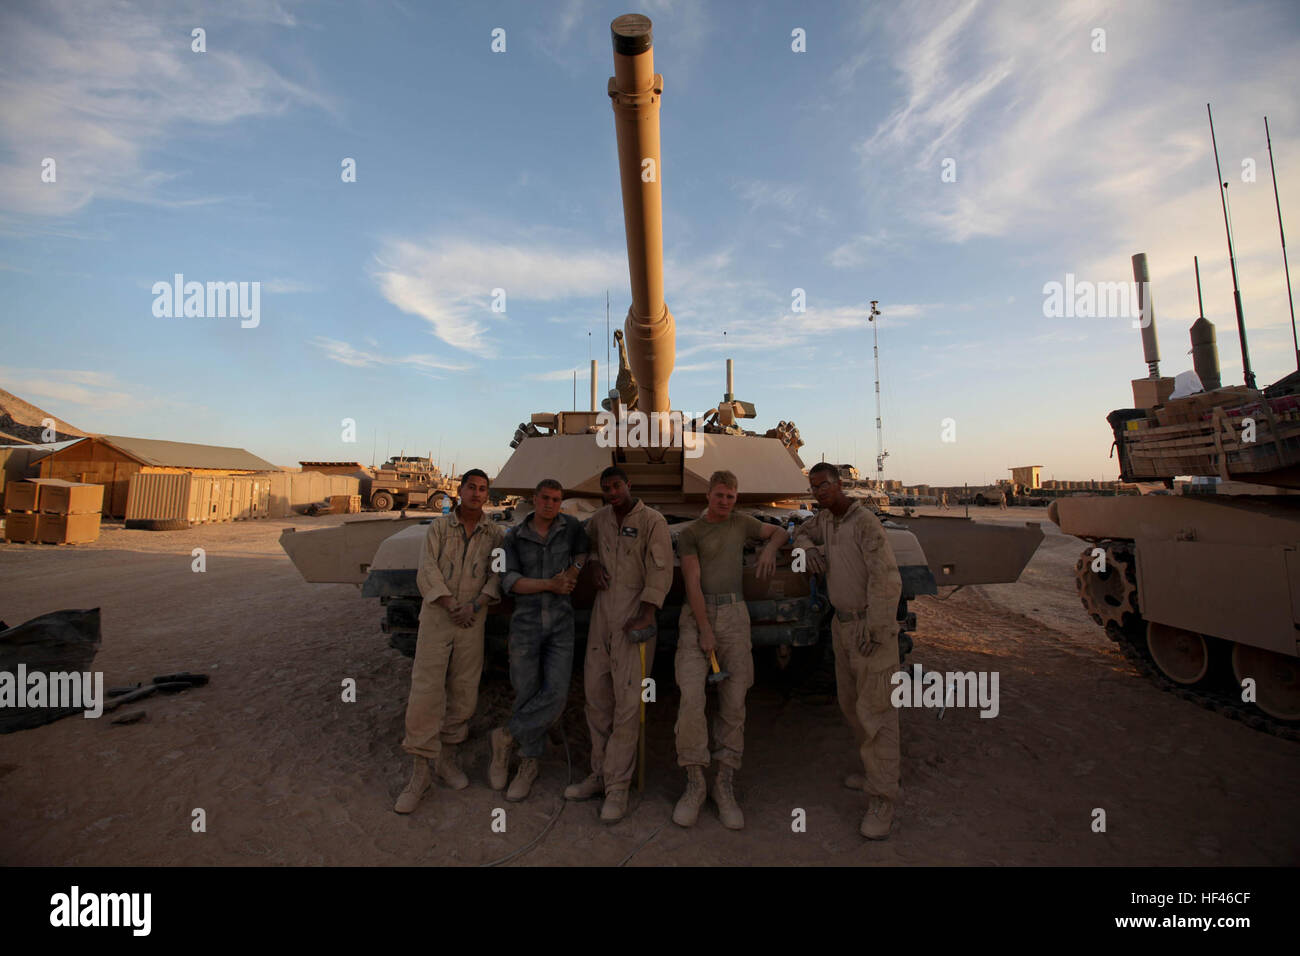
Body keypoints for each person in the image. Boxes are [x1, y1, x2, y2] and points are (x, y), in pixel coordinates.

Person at [793, 461, 903, 839]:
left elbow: (887, 577)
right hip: (842, 625)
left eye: (824, 486)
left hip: (869, 628)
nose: (819, 492)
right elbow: (800, 532)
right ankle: (875, 773)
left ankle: (884, 798)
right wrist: (806, 548)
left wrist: (879, 627)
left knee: (877, 712)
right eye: (814, 487)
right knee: (850, 704)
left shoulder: (864, 523)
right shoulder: (826, 521)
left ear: (839, 485)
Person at [672, 470, 787, 830]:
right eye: (719, 495)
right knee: (691, 700)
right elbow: (691, 580)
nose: (725, 501)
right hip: (698, 615)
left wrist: (770, 546)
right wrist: (705, 630)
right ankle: (694, 781)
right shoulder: (690, 532)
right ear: (708, 495)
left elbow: (780, 531)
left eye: (731, 497)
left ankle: (724, 783)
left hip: (736, 616)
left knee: (734, 701)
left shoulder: (742, 523)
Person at [563, 466, 672, 822]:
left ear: (629, 485)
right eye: (606, 488)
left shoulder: (653, 521)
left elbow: (661, 569)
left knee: (628, 706)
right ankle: (599, 774)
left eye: (617, 486)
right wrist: (592, 562)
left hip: (632, 615)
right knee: (596, 698)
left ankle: (618, 787)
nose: (612, 492)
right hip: (601, 615)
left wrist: (648, 611)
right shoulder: (599, 519)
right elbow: (589, 546)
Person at [395, 468, 504, 814]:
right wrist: (450, 603)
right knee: (426, 689)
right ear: (459, 490)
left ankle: (447, 759)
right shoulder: (439, 528)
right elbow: (427, 570)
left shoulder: (495, 534)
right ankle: (420, 772)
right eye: (471, 487)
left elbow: (497, 574)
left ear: (487, 495)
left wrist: (476, 603)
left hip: (473, 617)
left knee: (464, 689)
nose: (476, 493)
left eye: (482, 489)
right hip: (439, 616)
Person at [490, 478, 589, 801]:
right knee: (527, 692)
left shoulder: (571, 526)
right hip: (527, 623)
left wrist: (573, 572)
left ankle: (506, 735)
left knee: (557, 693)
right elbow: (509, 580)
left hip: (560, 625)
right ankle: (528, 763)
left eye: (556, 499)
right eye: (545, 498)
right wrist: (551, 585)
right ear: (534, 499)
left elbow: (582, 551)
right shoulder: (514, 537)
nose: (550, 504)